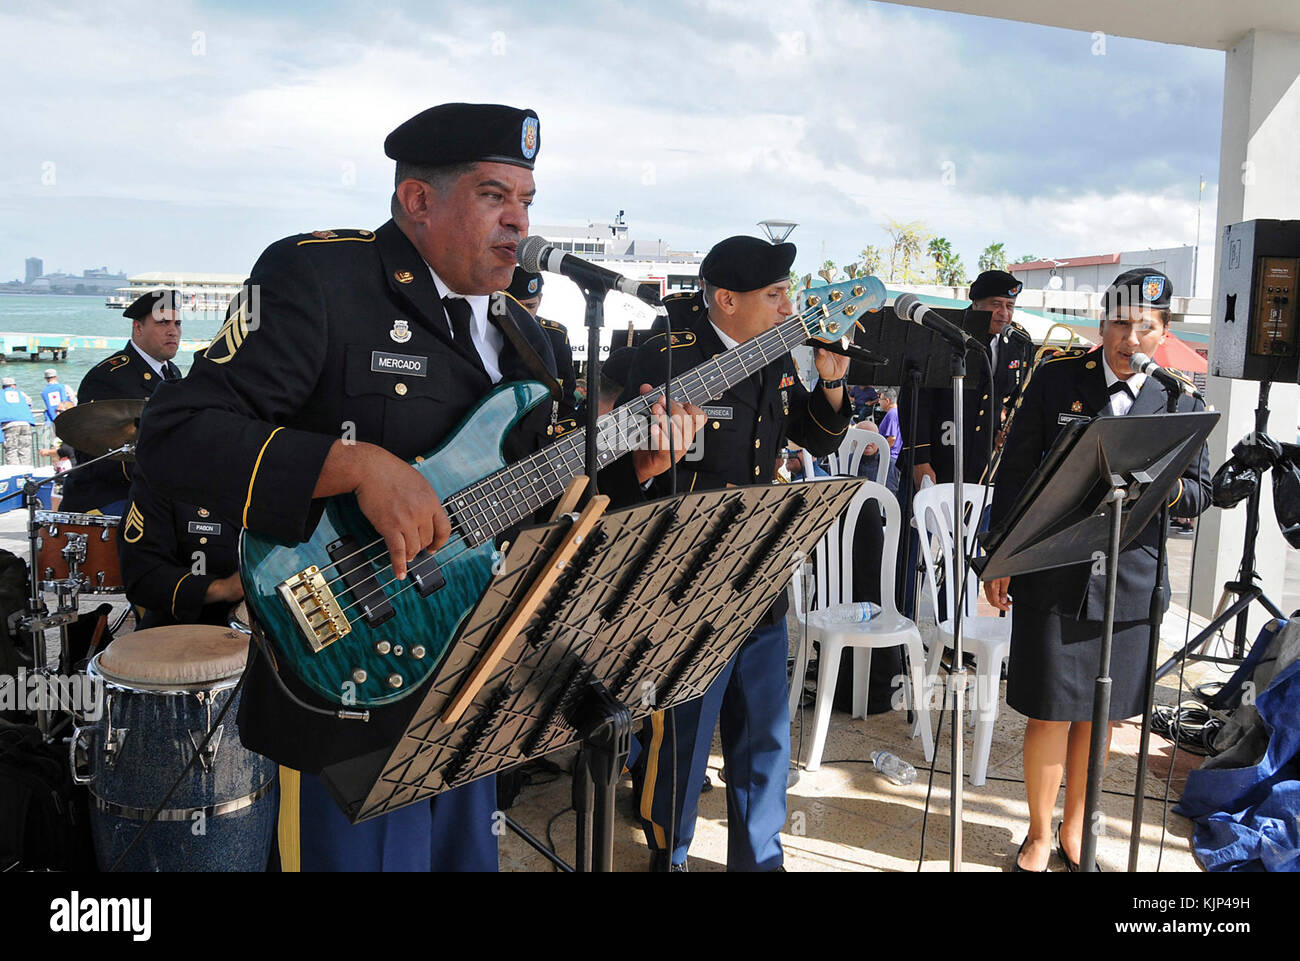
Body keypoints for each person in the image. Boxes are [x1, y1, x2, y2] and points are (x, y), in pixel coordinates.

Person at [136, 102, 699, 872]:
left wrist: (637, 470)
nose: (518, 222)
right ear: (418, 201)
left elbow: (535, 506)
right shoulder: (319, 279)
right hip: (342, 697)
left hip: (470, 694)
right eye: (494, 196)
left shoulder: (527, 338)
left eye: (527, 201)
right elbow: (175, 434)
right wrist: (354, 466)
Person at [615, 235, 852, 872]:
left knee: (765, 738)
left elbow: (814, 434)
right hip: (685, 586)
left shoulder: (773, 357)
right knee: (682, 739)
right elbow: (612, 472)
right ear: (726, 300)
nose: (787, 306)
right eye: (774, 295)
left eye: (787, 293)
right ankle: (671, 854)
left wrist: (830, 385)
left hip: (759, 576)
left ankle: (759, 859)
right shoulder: (665, 358)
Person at [984, 268, 1211, 872]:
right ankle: (1036, 831)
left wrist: (1162, 490)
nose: (1127, 338)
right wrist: (1000, 554)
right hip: (1054, 569)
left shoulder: (1181, 400)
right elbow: (1016, 475)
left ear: (1163, 334)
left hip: (1132, 578)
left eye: (1144, 326)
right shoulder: (1058, 381)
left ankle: (1077, 827)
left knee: (1099, 712)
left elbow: (1201, 492)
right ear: (1100, 324)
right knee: (1051, 708)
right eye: (1117, 322)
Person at [60, 289, 183, 514]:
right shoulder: (108, 376)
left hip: (155, 492)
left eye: (177, 323)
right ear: (138, 328)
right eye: (163, 323)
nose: (173, 331)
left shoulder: (172, 373)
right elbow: (94, 453)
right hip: (108, 496)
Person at [910, 269, 1032, 489]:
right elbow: (917, 398)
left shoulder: (1017, 342)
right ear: (976, 303)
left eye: (1010, 305)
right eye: (996, 304)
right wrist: (919, 459)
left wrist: (1003, 429)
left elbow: (1014, 395)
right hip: (939, 458)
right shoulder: (943, 331)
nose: (1004, 313)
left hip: (982, 463)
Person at [117, 472, 244, 630]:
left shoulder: (273, 474)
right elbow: (142, 576)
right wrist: (223, 588)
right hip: (189, 631)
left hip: (271, 633)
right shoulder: (159, 477)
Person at [505, 266, 580, 435]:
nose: (523, 315)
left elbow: (566, 396)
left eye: (530, 306)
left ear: (540, 299)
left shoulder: (556, 335)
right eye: (516, 307)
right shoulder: (489, 329)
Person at [0, 376, 36, 467]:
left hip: (9, 424)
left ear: (3, 387)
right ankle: (27, 472)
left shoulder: (1, 394)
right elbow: (30, 403)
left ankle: (16, 473)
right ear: (13, 386)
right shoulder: (21, 394)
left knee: (11, 450)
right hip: (25, 422)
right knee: (25, 449)